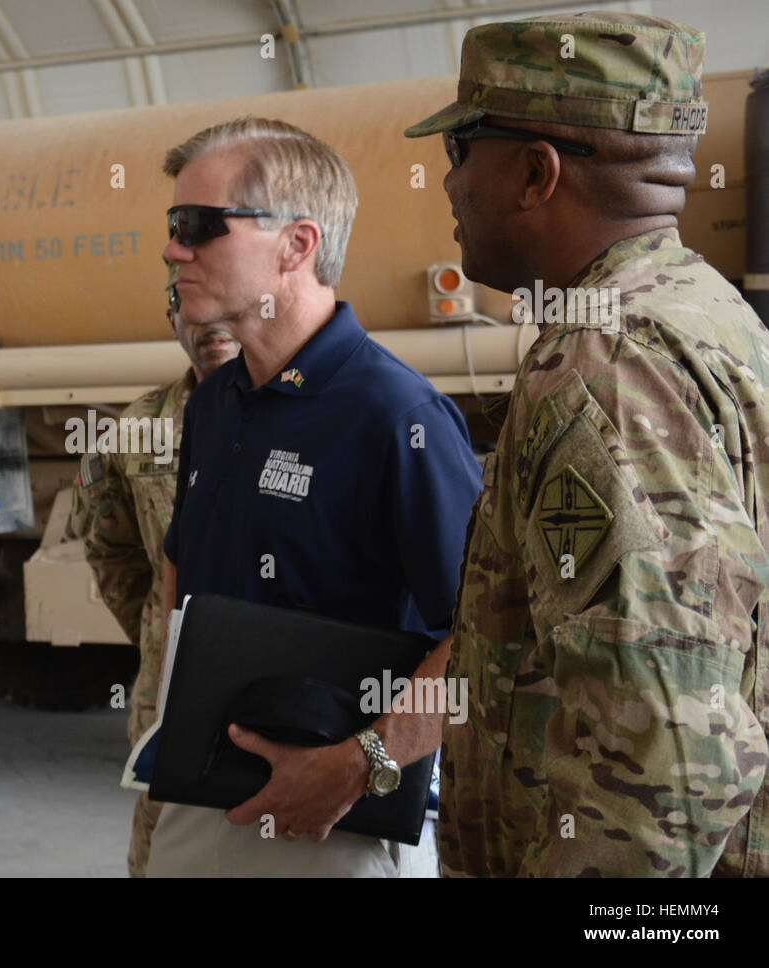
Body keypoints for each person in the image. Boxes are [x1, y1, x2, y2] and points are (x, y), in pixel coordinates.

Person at [405, 11, 769, 876]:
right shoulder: (707, 311)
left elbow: (668, 771)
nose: (448, 185)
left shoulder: (607, 367)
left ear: (536, 173)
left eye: (461, 151)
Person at [150, 117, 482, 876]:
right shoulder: (213, 406)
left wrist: (361, 762)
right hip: (200, 804)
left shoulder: (397, 418)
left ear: (297, 245)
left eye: (199, 226)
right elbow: (182, 573)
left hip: (337, 828)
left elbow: (487, 640)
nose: (174, 249)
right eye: (174, 225)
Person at [69, 265, 239, 877]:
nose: (207, 324)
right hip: (170, 696)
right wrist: (159, 633)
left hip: (282, 691)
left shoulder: (302, 416)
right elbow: (112, 553)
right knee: (162, 850)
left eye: (222, 304)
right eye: (187, 308)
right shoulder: (135, 430)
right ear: (173, 322)